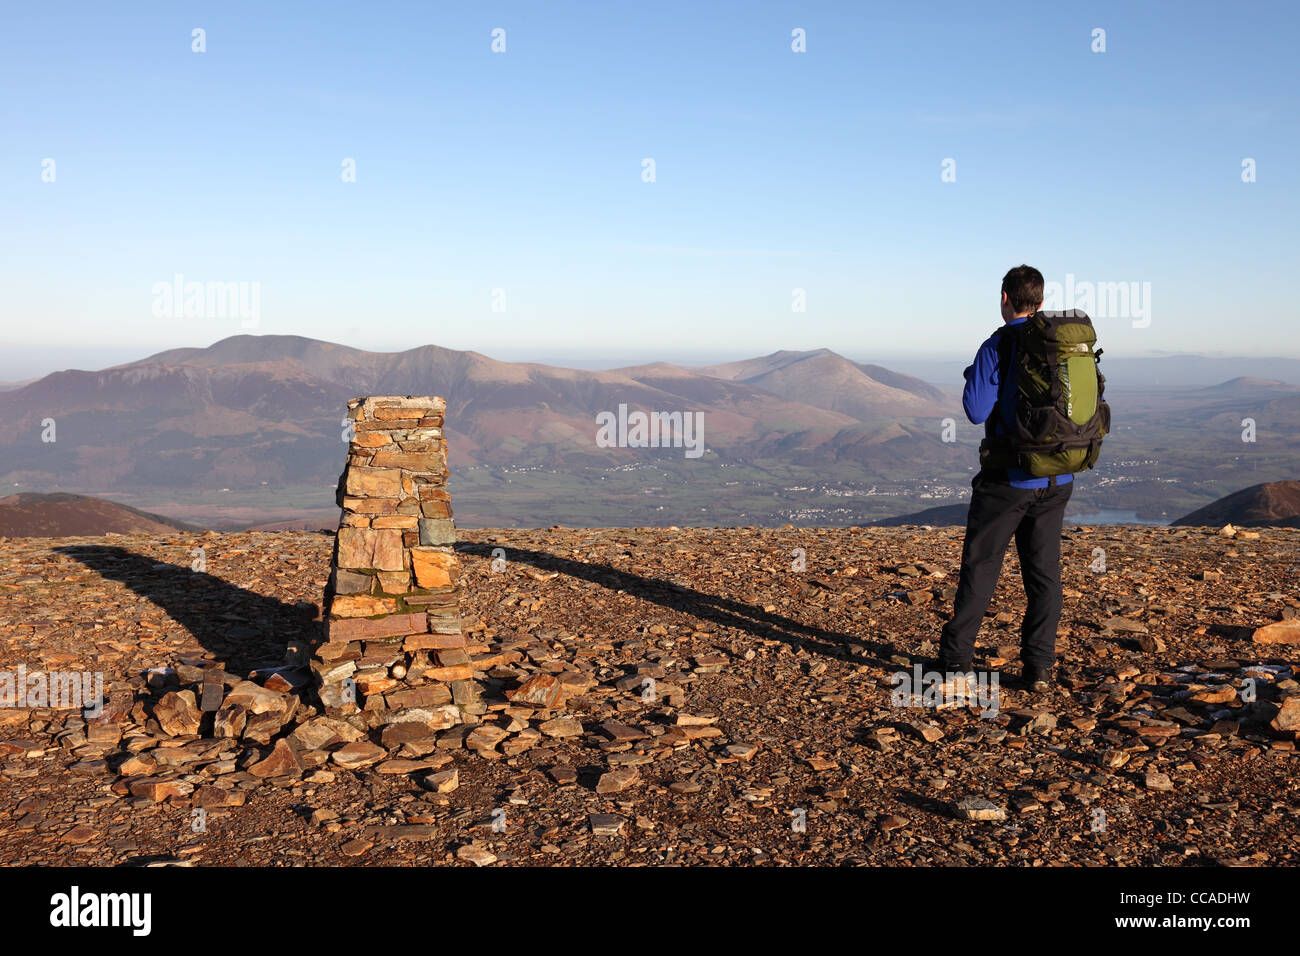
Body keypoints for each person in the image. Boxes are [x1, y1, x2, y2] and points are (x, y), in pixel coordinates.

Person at [935, 264, 1073, 693]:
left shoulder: (998, 344)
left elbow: (976, 411)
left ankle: (957, 663)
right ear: (1042, 301)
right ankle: (1038, 670)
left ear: (1004, 298)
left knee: (981, 566)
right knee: (1044, 574)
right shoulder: (1065, 344)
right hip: (1059, 476)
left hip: (1009, 479)